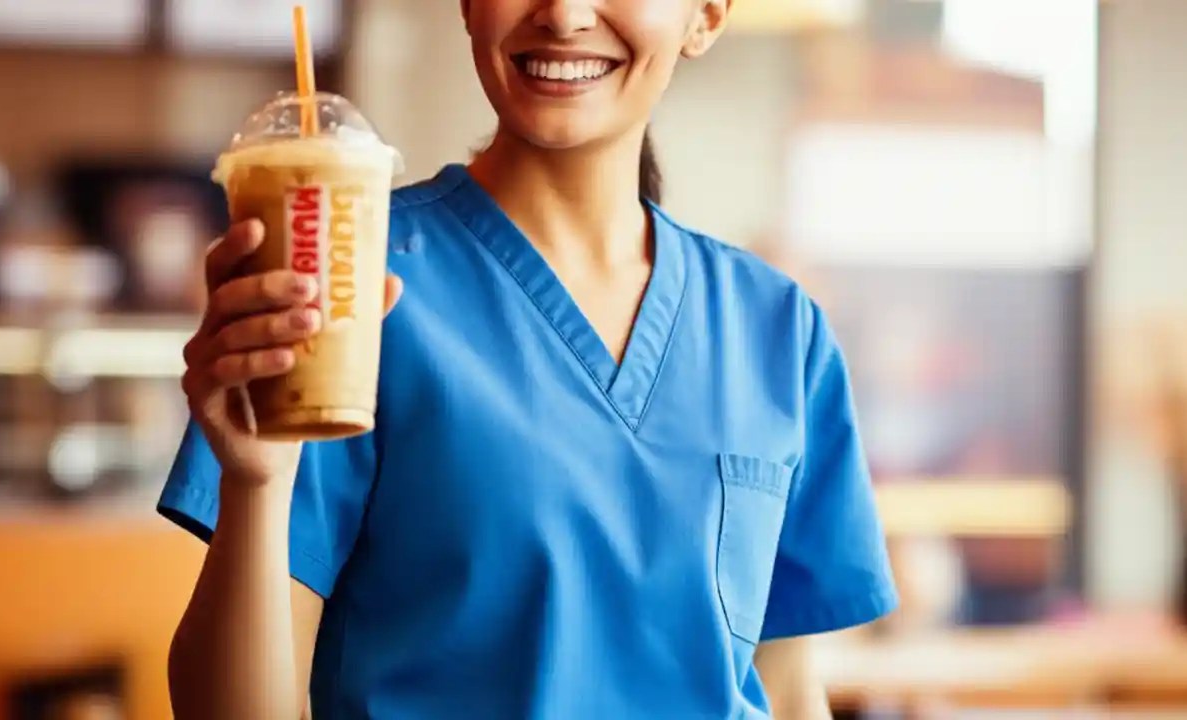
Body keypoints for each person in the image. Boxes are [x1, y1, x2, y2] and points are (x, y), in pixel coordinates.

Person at [160, 1, 897, 718]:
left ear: (706, 14)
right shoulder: (346, 293)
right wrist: (258, 484)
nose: (565, 13)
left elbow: (789, 691)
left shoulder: (776, 329)